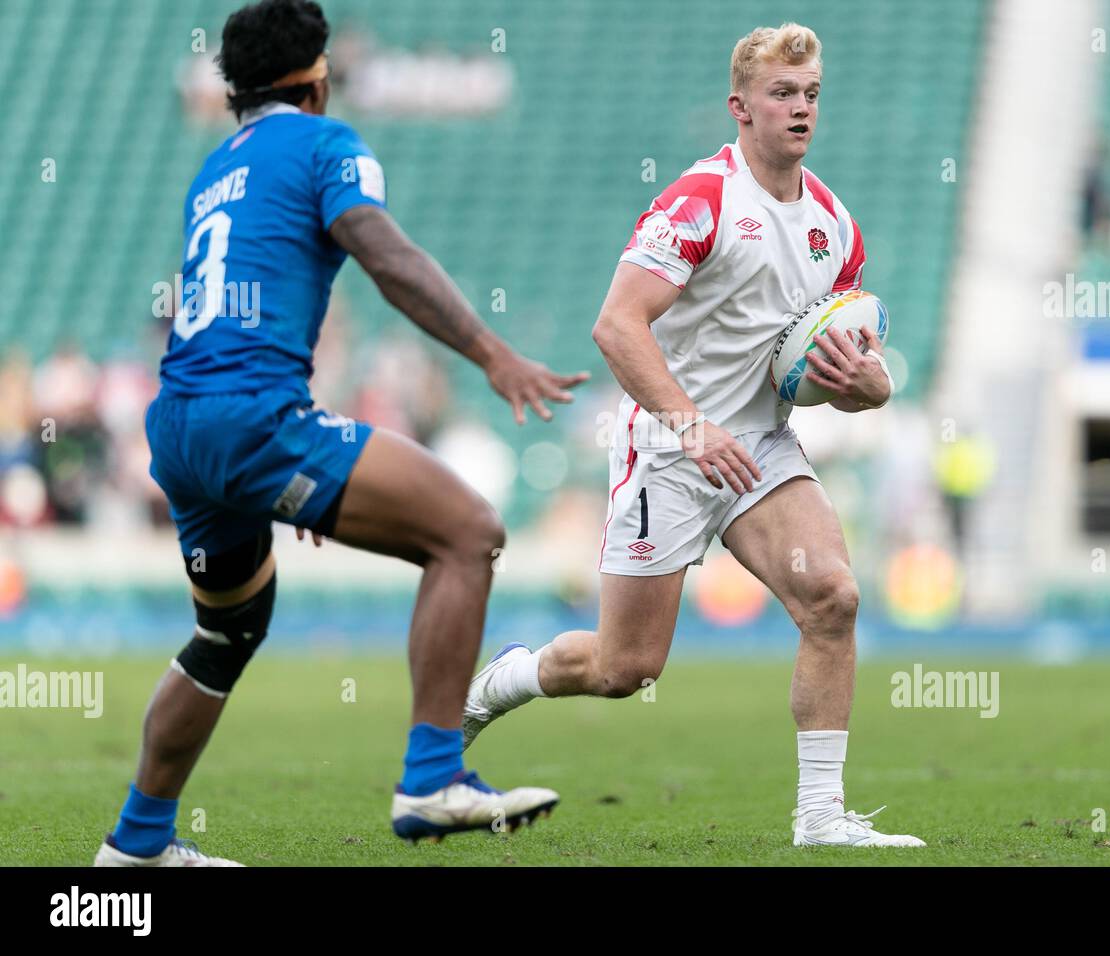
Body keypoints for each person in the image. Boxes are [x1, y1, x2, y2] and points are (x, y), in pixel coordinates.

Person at [95, 0, 586, 867]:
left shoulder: (216, 170)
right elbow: (386, 255)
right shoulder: (327, 146)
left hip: (179, 428)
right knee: (467, 534)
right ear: (313, 77)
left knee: (225, 634)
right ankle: (433, 776)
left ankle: (136, 848)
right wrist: (490, 352)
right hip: (254, 418)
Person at [460, 23, 924, 848]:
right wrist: (690, 425)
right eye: (783, 93)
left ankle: (820, 816)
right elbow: (616, 326)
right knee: (623, 668)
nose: (801, 108)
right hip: (670, 451)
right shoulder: (701, 199)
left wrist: (873, 386)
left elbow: (851, 373)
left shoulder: (835, 226)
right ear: (740, 106)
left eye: (811, 92)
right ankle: (501, 682)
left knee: (835, 597)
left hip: (762, 449)